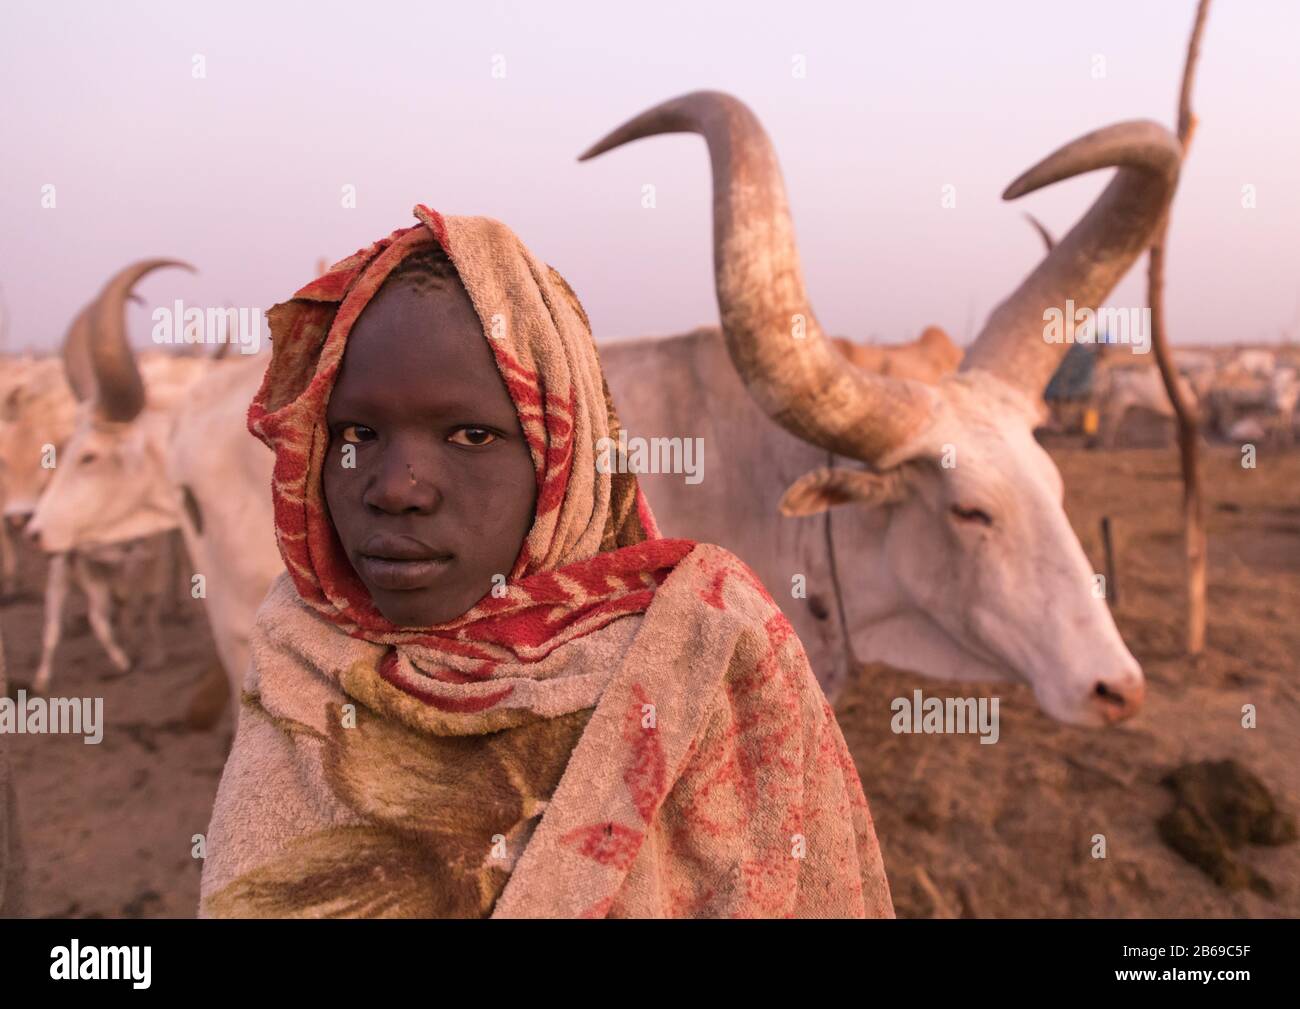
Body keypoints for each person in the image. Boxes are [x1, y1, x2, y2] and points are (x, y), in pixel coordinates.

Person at [198, 205, 894, 918]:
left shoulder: (710, 647)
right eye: (358, 431)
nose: (395, 487)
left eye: (471, 434)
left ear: (565, 462)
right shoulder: (297, 648)